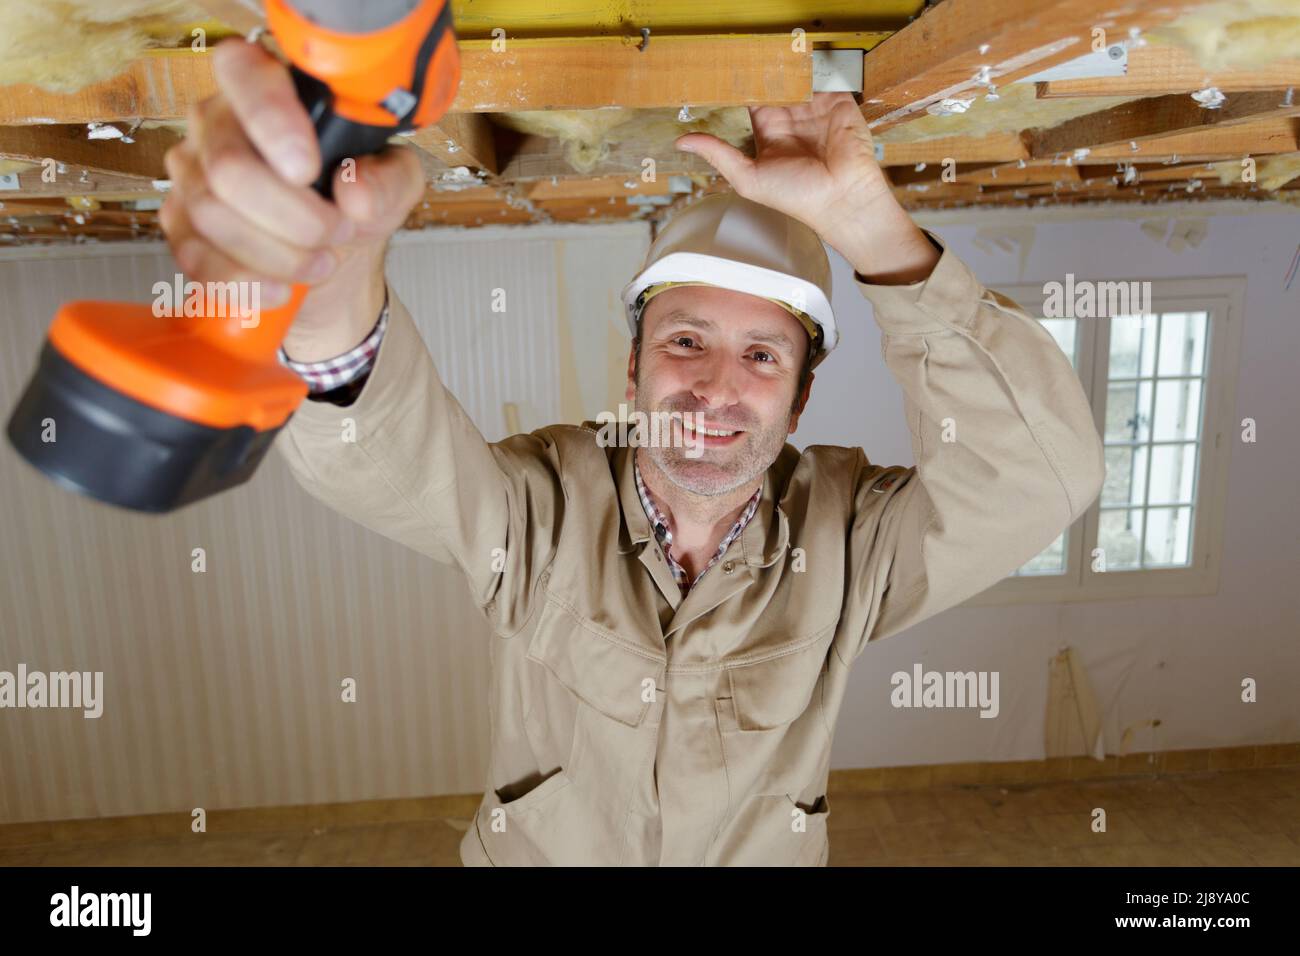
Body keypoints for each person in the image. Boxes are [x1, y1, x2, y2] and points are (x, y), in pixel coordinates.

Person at [162, 38, 1105, 866]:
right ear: (635, 367)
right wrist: (330, 272)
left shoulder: (851, 538)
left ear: (802, 394)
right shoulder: (546, 505)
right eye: (686, 341)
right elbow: (382, 461)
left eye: (763, 356)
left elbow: (1037, 473)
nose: (715, 389)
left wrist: (870, 228)